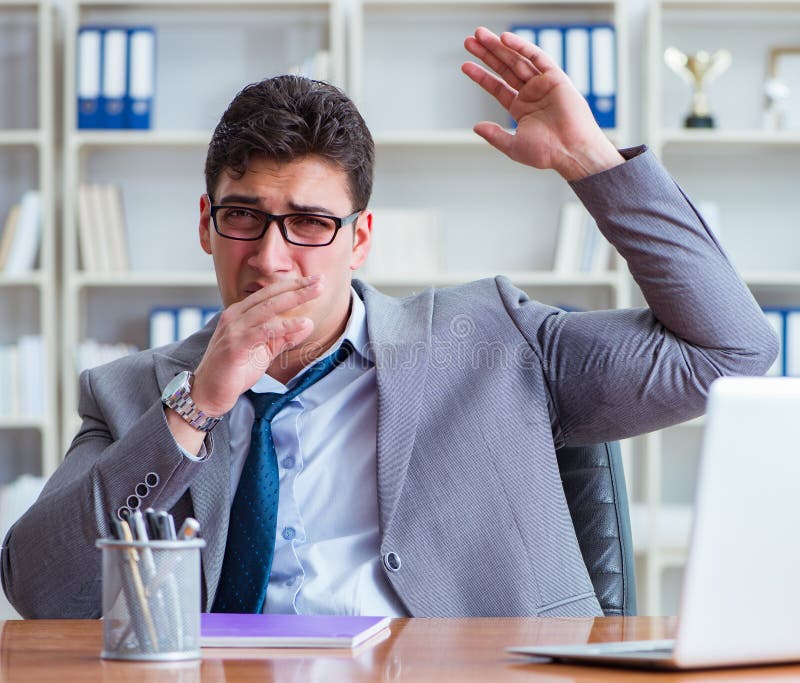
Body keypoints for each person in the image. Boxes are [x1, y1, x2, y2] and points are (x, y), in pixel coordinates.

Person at [2, 27, 776, 619]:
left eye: (310, 223)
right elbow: (41, 590)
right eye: (244, 216)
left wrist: (591, 161)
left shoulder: (495, 338)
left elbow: (731, 352)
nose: (270, 258)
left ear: (361, 238)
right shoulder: (130, 392)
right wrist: (197, 405)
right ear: (206, 223)